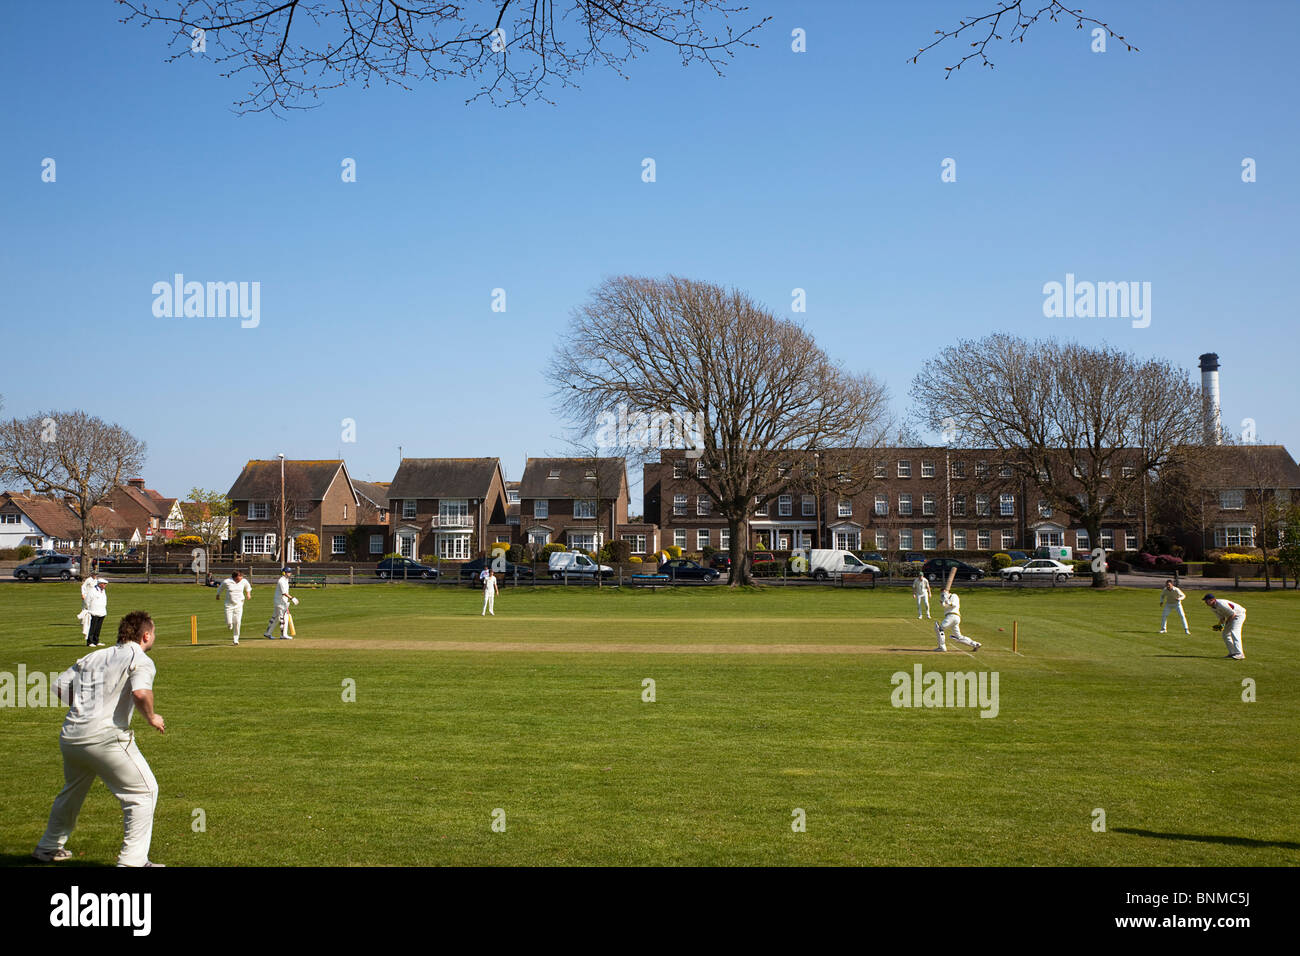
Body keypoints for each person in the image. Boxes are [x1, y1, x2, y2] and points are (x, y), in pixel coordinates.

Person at [33, 610, 165, 867]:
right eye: (154, 633)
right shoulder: (140, 659)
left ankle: (48, 847)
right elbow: (140, 693)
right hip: (105, 738)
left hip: (72, 736)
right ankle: (132, 862)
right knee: (144, 791)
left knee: (72, 792)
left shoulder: (95, 655)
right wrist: (151, 717)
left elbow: (59, 686)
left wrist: (84, 708)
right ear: (146, 635)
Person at [934, 587, 981, 652]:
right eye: (941, 592)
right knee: (958, 637)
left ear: (947, 591)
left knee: (939, 629)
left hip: (952, 615)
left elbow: (954, 605)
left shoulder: (954, 596)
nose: (942, 593)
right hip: (952, 617)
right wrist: (943, 602)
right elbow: (945, 606)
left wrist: (947, 601)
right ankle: (975, 644)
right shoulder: (945, 598)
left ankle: (942, 647)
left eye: (944, 592)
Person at [1203, 593, 1246, 659]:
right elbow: (1222, 618)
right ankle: (1232, 653)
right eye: (1205, 601)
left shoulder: (1221, 604)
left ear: (1213, 600)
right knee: (1225, 634)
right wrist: (1220, 625)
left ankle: (1240, 654)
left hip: (1239, 615)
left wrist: (1224, 625)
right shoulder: (1212, 608)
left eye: (1207, 600)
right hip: (1232, 616)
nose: (1205, 602)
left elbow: (1233, 614)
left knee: (1234, 632)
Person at [217, 569, 253, 645]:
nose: (242, 578)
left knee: (237, 622)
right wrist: (218, 595)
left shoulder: (244, 581)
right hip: (229, 604)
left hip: (239, 604)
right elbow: (220, 588)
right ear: (236, 577)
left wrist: (248, 594)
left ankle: (236, 639)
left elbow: (248, 587)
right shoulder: (227, 581)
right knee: (229, 622)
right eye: (241, 576)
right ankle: (229, 624)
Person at [264, 567, 297, 640]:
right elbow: (284, 593)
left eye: (290, 572)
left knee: (275, 617)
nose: (290, 573)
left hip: (281, 601)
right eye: (288, 572)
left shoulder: (286, 580)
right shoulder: (281, 581)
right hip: (280, 602)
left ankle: (268, 633)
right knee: (284, 618)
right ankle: (283, 635)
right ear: (284, 573)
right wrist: (292, 598)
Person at [84, 574, 108, 647]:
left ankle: (96, 641)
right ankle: (90, 642)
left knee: (98, 628)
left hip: (102, 611)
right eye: (104, 584)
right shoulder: (92, 590)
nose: (105, 585)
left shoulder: (103, 591)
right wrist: (89, 609)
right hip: (94, 611)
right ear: (100, 584)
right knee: (92, 627)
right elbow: (87, 601)